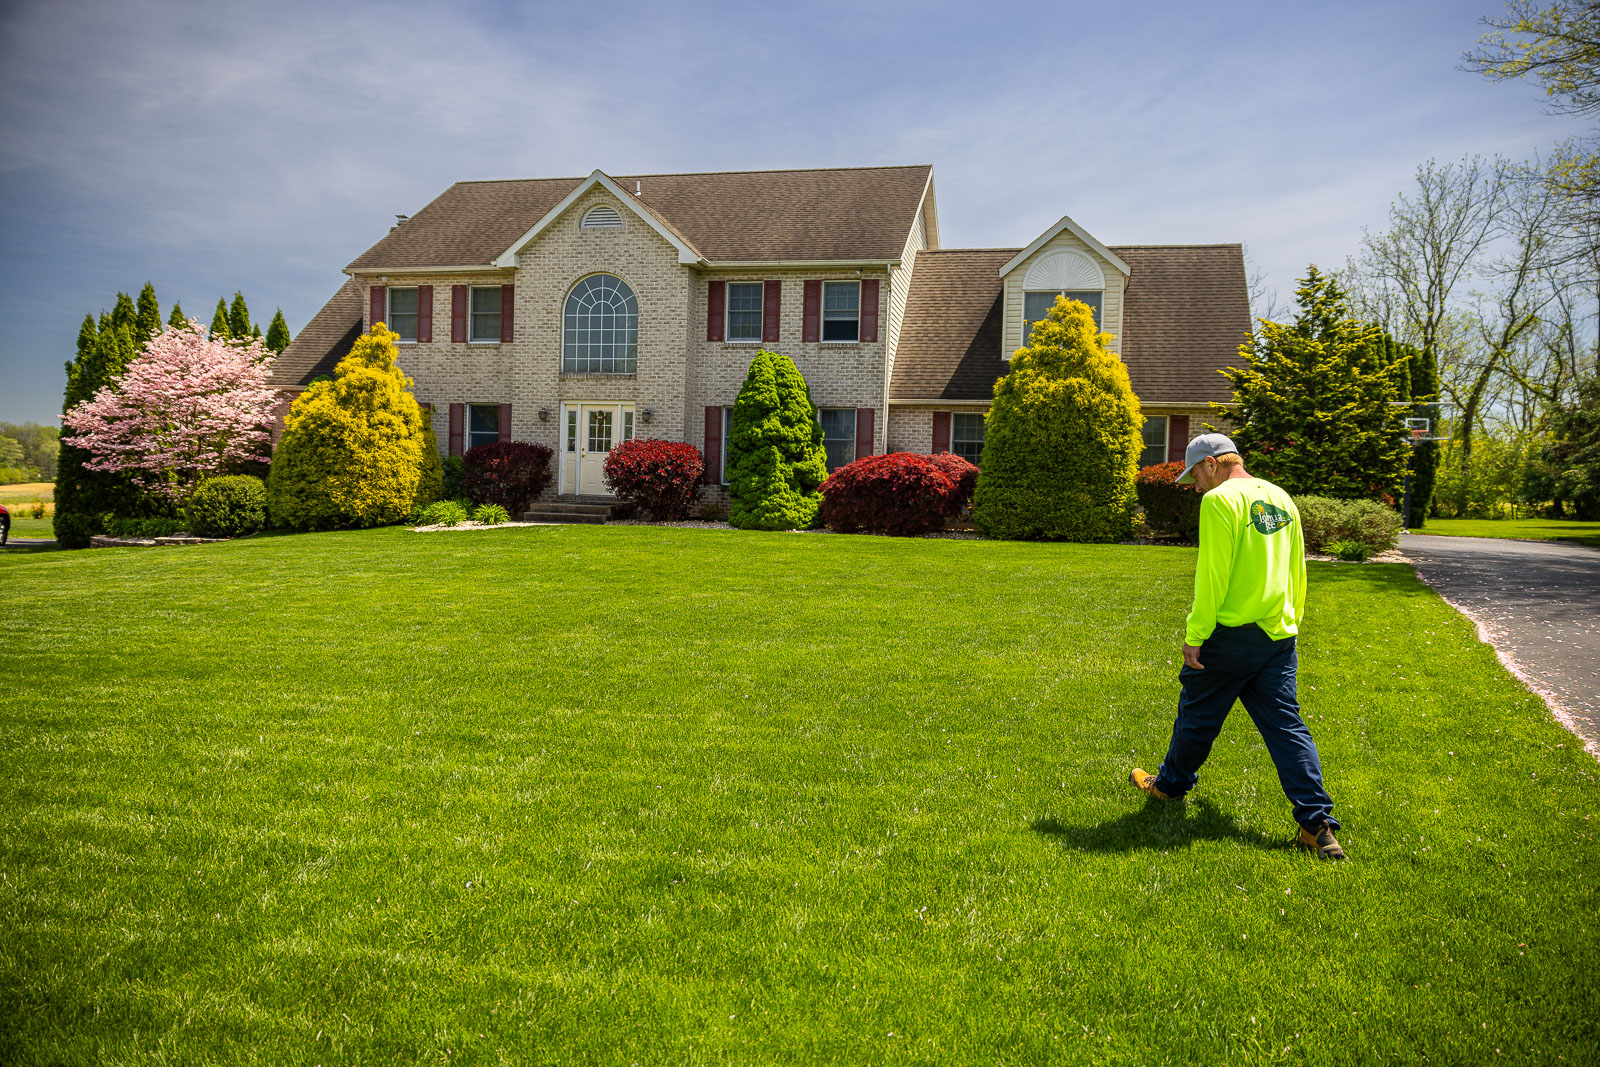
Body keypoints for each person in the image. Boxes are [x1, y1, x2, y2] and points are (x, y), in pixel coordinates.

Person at [1129, 433, 1345, 860]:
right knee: (1287, 728)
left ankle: (1169, 788)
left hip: (1228, 637)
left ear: (1212, 463)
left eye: (1195, 476)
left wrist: (1195, 636)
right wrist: (1290, 621)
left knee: (1197, 717)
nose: (1195, 487)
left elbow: (1213, 576)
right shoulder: (1281, 497)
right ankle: (1317, 825)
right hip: (1278, 635)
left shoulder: (1220, 501)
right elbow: (1297, 567)